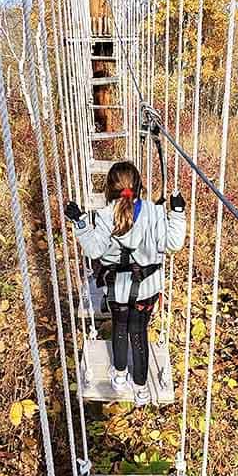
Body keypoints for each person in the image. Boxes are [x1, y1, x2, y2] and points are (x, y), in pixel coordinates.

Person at [66, 161, 186, 405]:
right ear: (139, 187)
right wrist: (177, 213)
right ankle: (141, 389)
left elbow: (94, 249)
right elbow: (173, 243)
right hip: (147, 289)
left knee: (120, 327)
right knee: (139, 333)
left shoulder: (102, 216)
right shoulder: (154, 212)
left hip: (117, 291)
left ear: (109, 189)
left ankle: (119, 377)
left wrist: (80, 223)